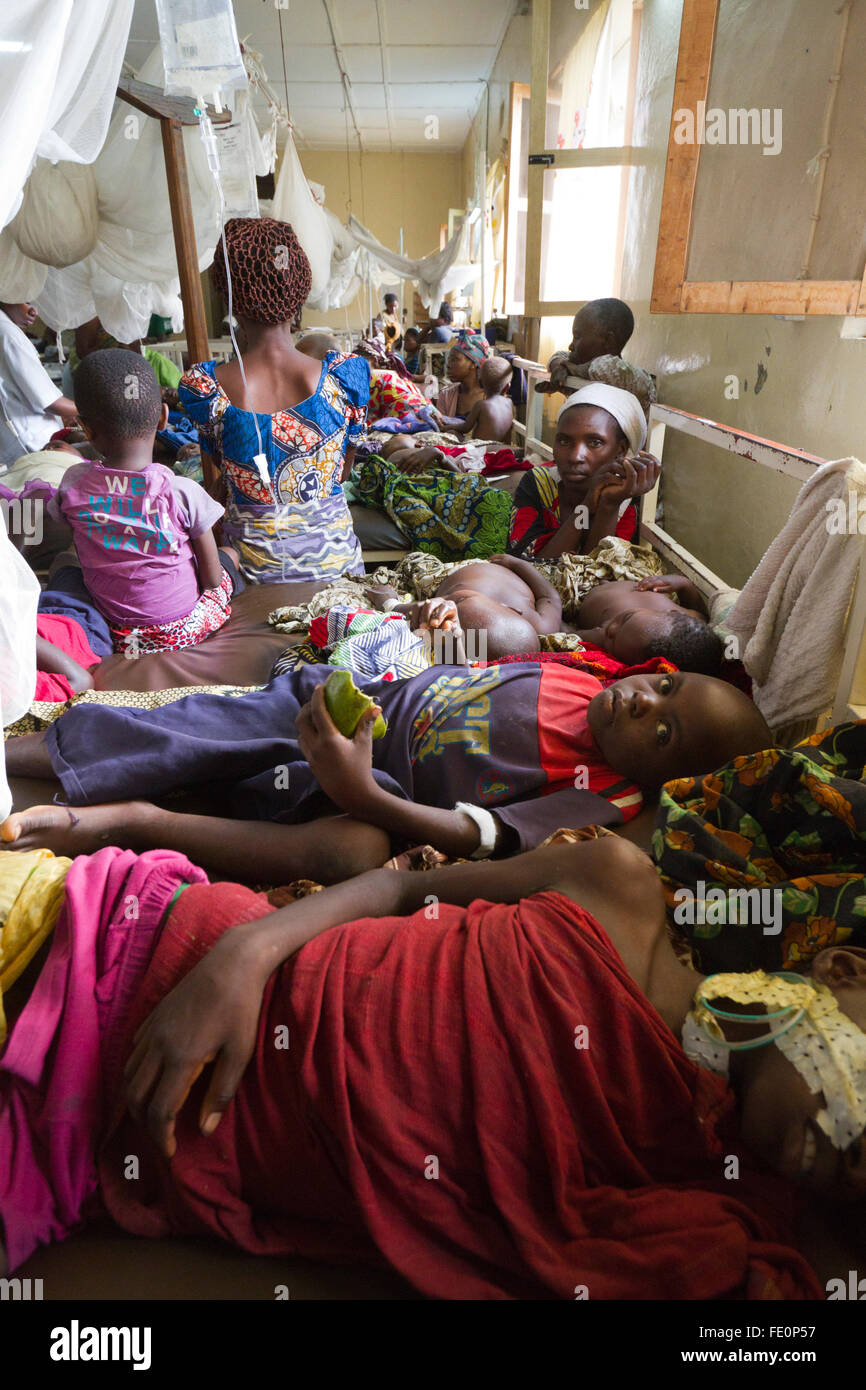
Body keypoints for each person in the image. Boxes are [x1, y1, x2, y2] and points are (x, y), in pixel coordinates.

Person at [3, 831, 848, 1297]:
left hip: (86, 1150)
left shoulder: (705, 1206)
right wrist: (246, 953)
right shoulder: (615, 885)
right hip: (120, 940)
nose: (850, 1156)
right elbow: (407, 890)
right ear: (845, 977)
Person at [3, 664, 772, 887]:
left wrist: (360, 791)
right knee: (202, 724)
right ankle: (29, 753)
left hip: (383, 788)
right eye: (662, 690)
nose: (643, 704)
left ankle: (140, 819)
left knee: (350, 848)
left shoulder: (609, 796)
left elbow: (487, 840)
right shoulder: (596, 672)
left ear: (669, 780)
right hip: (356, 707)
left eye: (662, 732)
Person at [178, 217, 369, 585]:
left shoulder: (205, 389)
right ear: (299, 289)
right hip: (335, 573)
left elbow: (235, 475)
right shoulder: (346, 377)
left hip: (250, 577)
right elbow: (341, 474)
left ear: (228, 295)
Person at [47, 350, 235, 656]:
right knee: (228, 556)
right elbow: (211, 580)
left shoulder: (74, 483)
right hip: (182, 631)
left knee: (64, 563)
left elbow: (72, 534)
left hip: (113, 631)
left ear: (86, 428)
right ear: (163, 417)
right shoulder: (182, 491)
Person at [510, 384, 660, 559]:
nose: (575, 457)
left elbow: (595, 572)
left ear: (621, 450)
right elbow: (531, 563)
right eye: (564, 441)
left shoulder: (629, 500)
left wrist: (609, 505)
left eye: (595, 443)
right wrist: (586, 507)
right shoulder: (539, 483)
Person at [536, 297, 657, 422]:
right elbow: (558, 356)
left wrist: (571, 368)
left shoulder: (634, 381)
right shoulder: (589, 371)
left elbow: (602, 366)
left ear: (609, 341)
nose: (571, 346)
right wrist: (560, 366)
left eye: (577, 337)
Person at [0, 302, 78, 467]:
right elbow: (50, 402)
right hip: (29, 444)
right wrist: (96, 410)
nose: (34, 311)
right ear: (5, 297)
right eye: (26, 302)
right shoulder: (8, 334)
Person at [445, 357, 514, 443]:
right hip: (500, 448)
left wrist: (446, 427)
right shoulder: (509, 403)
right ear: (507, 387)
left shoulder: (481, 405)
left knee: (452, 433)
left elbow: (465, 428)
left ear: (481, 383)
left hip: (481, 449)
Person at [435, 330, 490, 421]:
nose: (448, 365)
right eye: (449, 360)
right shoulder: (446, 395)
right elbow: (440, 430)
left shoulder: (489, 397)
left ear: (473, 364)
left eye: (455, 359)